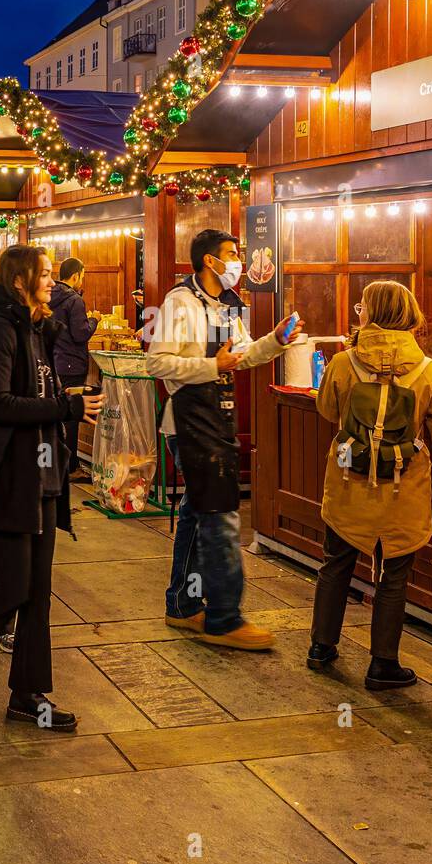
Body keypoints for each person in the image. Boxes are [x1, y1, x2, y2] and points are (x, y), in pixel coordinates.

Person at [0, 246, 101, 725]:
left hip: (43, 476)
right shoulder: (0, 331)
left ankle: (27, 695)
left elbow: (38, 391)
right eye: (45, 274)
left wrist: (66, 399)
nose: (53, 281)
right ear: (20, 280)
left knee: (38, 591)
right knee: (15, 587)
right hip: (9, 478)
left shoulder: (35, 329)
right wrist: (64, 410)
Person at [146, 228, 302, 649]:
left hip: (220, 419)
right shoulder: (180, 302)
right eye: (232, 254)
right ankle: (224, 618)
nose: (238, 261)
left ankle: (181, 605)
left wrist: (275, 341)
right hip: (190, 422)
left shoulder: (231, 305)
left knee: (199, 513)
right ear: (209, 261)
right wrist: (210, 366)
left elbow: (242, 355)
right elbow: (156, 362)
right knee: (221, 515)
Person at [308, 281, 432, 687]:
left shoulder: (344, 362)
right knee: (393, 575)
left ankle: (321, 648)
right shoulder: (428, 370)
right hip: (403, 485)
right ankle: (383, 665)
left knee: (336, 562)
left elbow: (327, 409)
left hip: (348, 479)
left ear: (369, 313)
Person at [49, 258, 99, 482]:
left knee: (59, 415)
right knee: (72, 417)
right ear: (76, 275)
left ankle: (62, 464)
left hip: (56, 361)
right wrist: (94, 320)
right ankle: (70, 468)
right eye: (83, 276)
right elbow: (81, 333)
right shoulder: (74, 300)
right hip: (73, 364)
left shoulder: (50, 296)